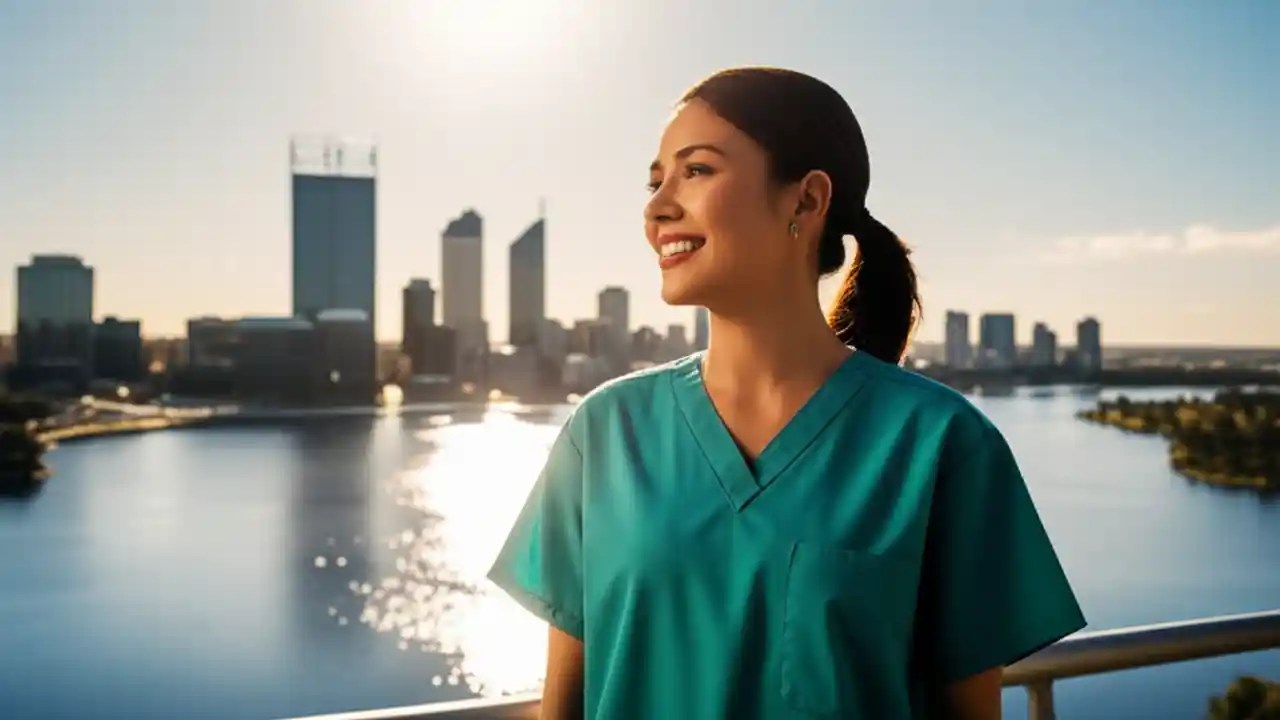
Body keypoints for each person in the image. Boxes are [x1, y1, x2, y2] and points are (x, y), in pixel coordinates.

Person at [488, 67, 1086, 720]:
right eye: (655, 179)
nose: (657, 206)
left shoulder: (942, 446)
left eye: (696, 171)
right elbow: (563, 707)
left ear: (804, 201)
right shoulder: (604, 434)